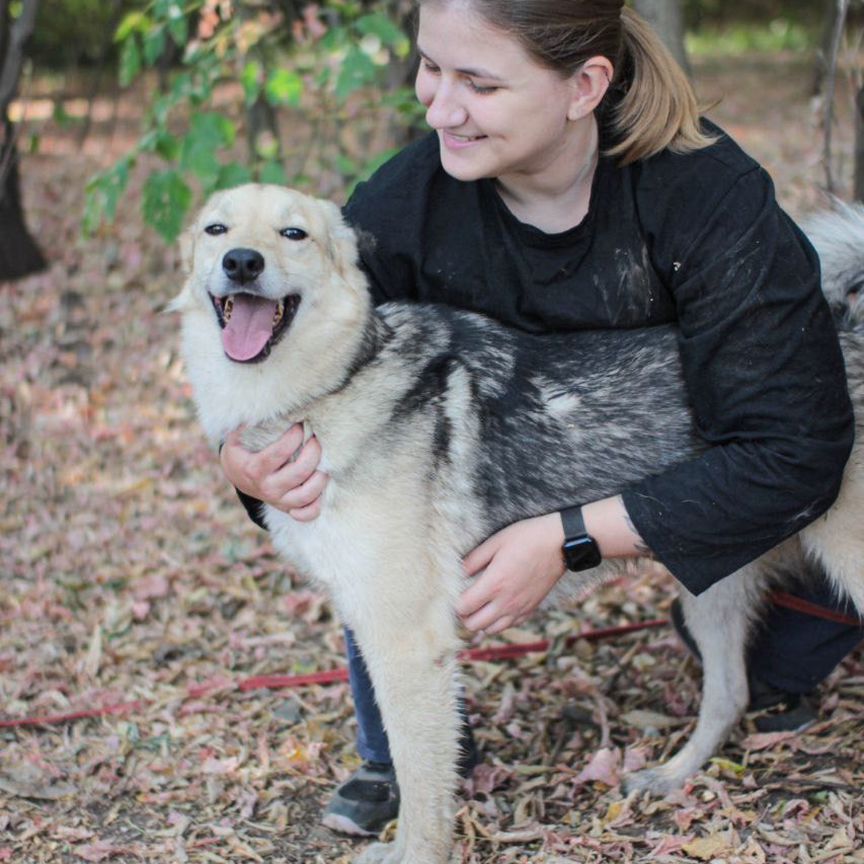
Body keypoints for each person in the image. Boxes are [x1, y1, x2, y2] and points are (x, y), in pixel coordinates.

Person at [220, 0, 863, 838]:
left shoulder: (707, 194)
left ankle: (788, 638)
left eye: (479, 83)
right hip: (569, 456)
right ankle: (394, 757)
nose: (440, 106)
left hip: (754, 451)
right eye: (431, 67)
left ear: (584, 86)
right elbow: (322, 388)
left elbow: (797, 445)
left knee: (788, 617)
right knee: (375, 523)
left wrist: (568, 538)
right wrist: (249, 470)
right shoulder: (405, 204)